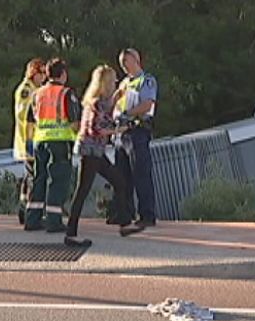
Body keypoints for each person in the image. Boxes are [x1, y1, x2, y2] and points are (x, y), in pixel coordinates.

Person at [64, 65, 131, 246]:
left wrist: (116, 98)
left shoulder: (93, 101)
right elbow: (97, 128)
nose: (115, 83)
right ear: (106, 83)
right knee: (83, 190)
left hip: (93, 150)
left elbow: (104, 113)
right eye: (113, 80)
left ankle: (124, 221)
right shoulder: (96, 103)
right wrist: (117, 129)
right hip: (91, 150)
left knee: (118, 181)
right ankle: (71, 233)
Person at [24, 58, 81, 233]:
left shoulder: (37, 94)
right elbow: (74, 122)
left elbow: (29, 122)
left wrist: (28, 146)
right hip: (59, 142)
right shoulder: (66, 93)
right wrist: (79, 136)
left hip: (39, 141)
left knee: (39, 179)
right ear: (63, 74)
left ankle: (32, 219)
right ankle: (53, 220)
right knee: (58, 181)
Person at [114, 48, 158, 234]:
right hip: (121, 133)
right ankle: (125, 213)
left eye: (126, 61)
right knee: (122, 176)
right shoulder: (124, 83)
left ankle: (147, 215)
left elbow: (147, 104)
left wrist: (127, 114)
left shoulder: (146, 81)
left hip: (137, 131)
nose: (124, 65)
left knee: (141, 174)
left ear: (136, 60)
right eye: (121, 62)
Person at [13, 58, 46, 226]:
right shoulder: (28, 91)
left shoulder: (32, 89)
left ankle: (25, 210)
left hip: (29, 141)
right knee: (33, 179)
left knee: (28, 178)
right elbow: (27, 117)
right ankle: (31, 214)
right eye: (42, 73)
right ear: (35, 73)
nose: (44, 78)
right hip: (29, 142)